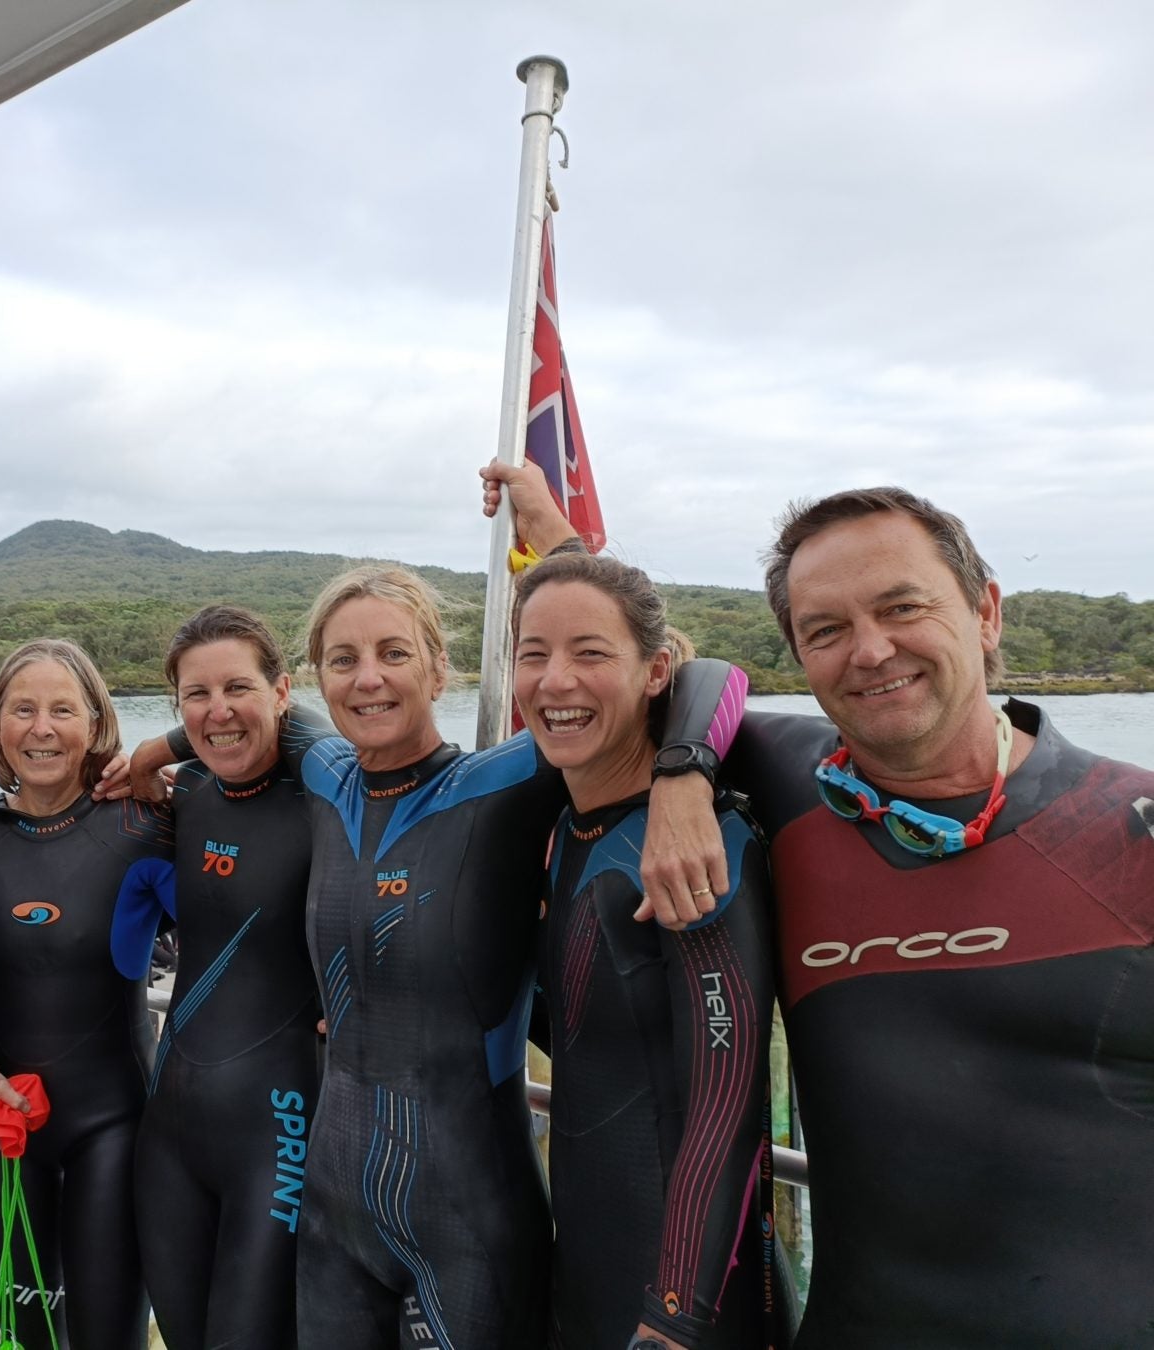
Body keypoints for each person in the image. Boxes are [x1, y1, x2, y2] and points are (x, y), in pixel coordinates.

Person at [488, 467, 1154, 1347]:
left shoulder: (1131, 830)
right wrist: (685, 769)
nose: (870, 651)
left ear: (986, 611)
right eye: (826, 630)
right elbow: (673, 669)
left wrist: (683, 774)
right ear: (799, 655)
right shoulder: (792, 783)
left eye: (903, 608)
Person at [124, 565, 743, 1350]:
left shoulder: (506, 784)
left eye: (394, 653)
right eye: (343, 660)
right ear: (316, 678)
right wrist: (163, 744)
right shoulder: (323, 773)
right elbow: (247, 707)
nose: (368, 678)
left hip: (467, 1214)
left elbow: (706, 678)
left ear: (439, 668)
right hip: (332, 1210)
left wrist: (686, 773)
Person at [514, 551, 774, 1349]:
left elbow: (726, 1110)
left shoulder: (698, 843)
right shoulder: (563, 829)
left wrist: (674, 1315)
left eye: (591, 653)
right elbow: (580, 1027)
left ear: (657, 670)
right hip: (584, 1259)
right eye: (534, 654)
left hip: (684, 1297)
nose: (556, 681)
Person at [0, 638, 174, 1350]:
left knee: (108, 1336)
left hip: (116, 1126)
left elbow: (235, 937)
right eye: (23, 709)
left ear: (95, 724)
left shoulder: (144, 829)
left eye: (62, 709)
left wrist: (171, 771)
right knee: (27, 1335)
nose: (42, 728)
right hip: (9, 1126)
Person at [131, 606, 320, 1350]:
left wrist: (162, 741)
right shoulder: (184, 798)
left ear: (281, 690)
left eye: (238, 688)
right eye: (194, 697)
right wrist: (164, 753)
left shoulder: (326, 795)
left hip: (276, 1132)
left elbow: (327, 732)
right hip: (168, 1133)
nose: (217, 713)